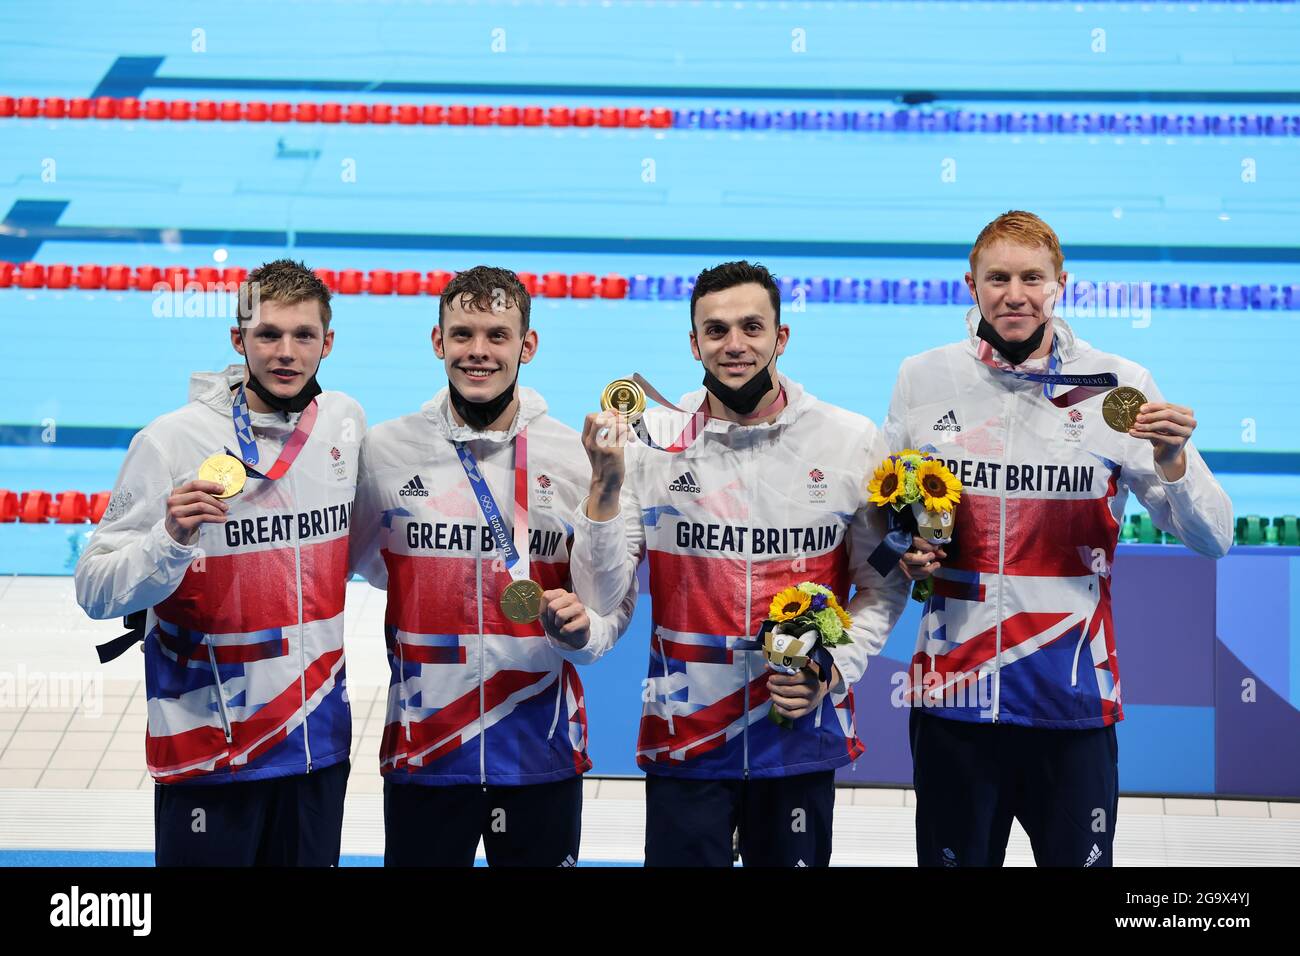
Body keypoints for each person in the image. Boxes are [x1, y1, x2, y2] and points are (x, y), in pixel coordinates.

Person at [884, 210, 1234, 867]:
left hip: (1072, 701)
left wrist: (1173, 462)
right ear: (971, 285)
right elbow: (884, 518)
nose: (1014, 294)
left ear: (1061, 284)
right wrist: (900, 551)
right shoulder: (923, 379)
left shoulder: (1118, 388)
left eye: (1031, 278)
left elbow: (1215, 538)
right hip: (953, 702)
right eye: (998, 278)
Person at [574, 260, 909, 867]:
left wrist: (832, 671)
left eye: (752, 327)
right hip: (687, 730)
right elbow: (602, 593)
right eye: (717, 330)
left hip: (798, 729)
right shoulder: (648, 442)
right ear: (694, 342)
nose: (735, 345)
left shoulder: (847, 440)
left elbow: (879, 586)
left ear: (781, 337)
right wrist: (603, 490)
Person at [74, 259, 365, 866]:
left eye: (303, 335)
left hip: (314, 744)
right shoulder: (171, 441)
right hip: (210, 749)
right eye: (268, 334)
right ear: (239, 339)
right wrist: (170, 536)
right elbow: (96, 589)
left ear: (327, 343)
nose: (286, 352)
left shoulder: (344, 422)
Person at [349, 265, 634, 867]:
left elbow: (606, 602)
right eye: (463, 334)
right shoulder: (386, 450)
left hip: (539, 746)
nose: (479, 352)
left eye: (497, 336)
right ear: (438, 341)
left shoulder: (573, 454)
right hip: (427, 748)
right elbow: (367, 565)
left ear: (526, 345)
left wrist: (605, 490)